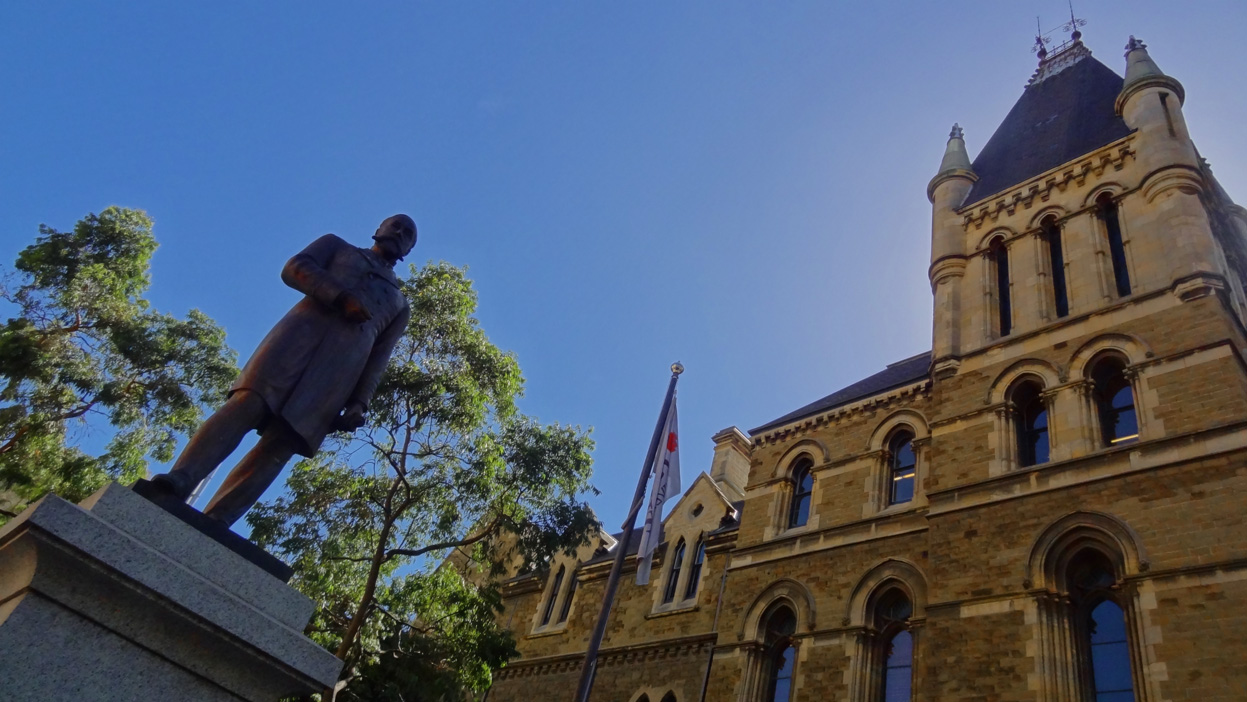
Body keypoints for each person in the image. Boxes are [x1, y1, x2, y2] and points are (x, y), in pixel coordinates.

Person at [152, 214, 416, 526]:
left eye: (408, 233)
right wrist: (341, 296)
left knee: (282, 443)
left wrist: (360, 402)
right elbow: (295, 268)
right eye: (395, 225)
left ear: (408, 250)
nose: (399, 233)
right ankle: (182, 479)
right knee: (246, 405)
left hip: (337, 373)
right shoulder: (336, 246)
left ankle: (219, 518)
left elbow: (379, 357)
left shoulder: (400, 304)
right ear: (378, 229)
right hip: (294, 340)